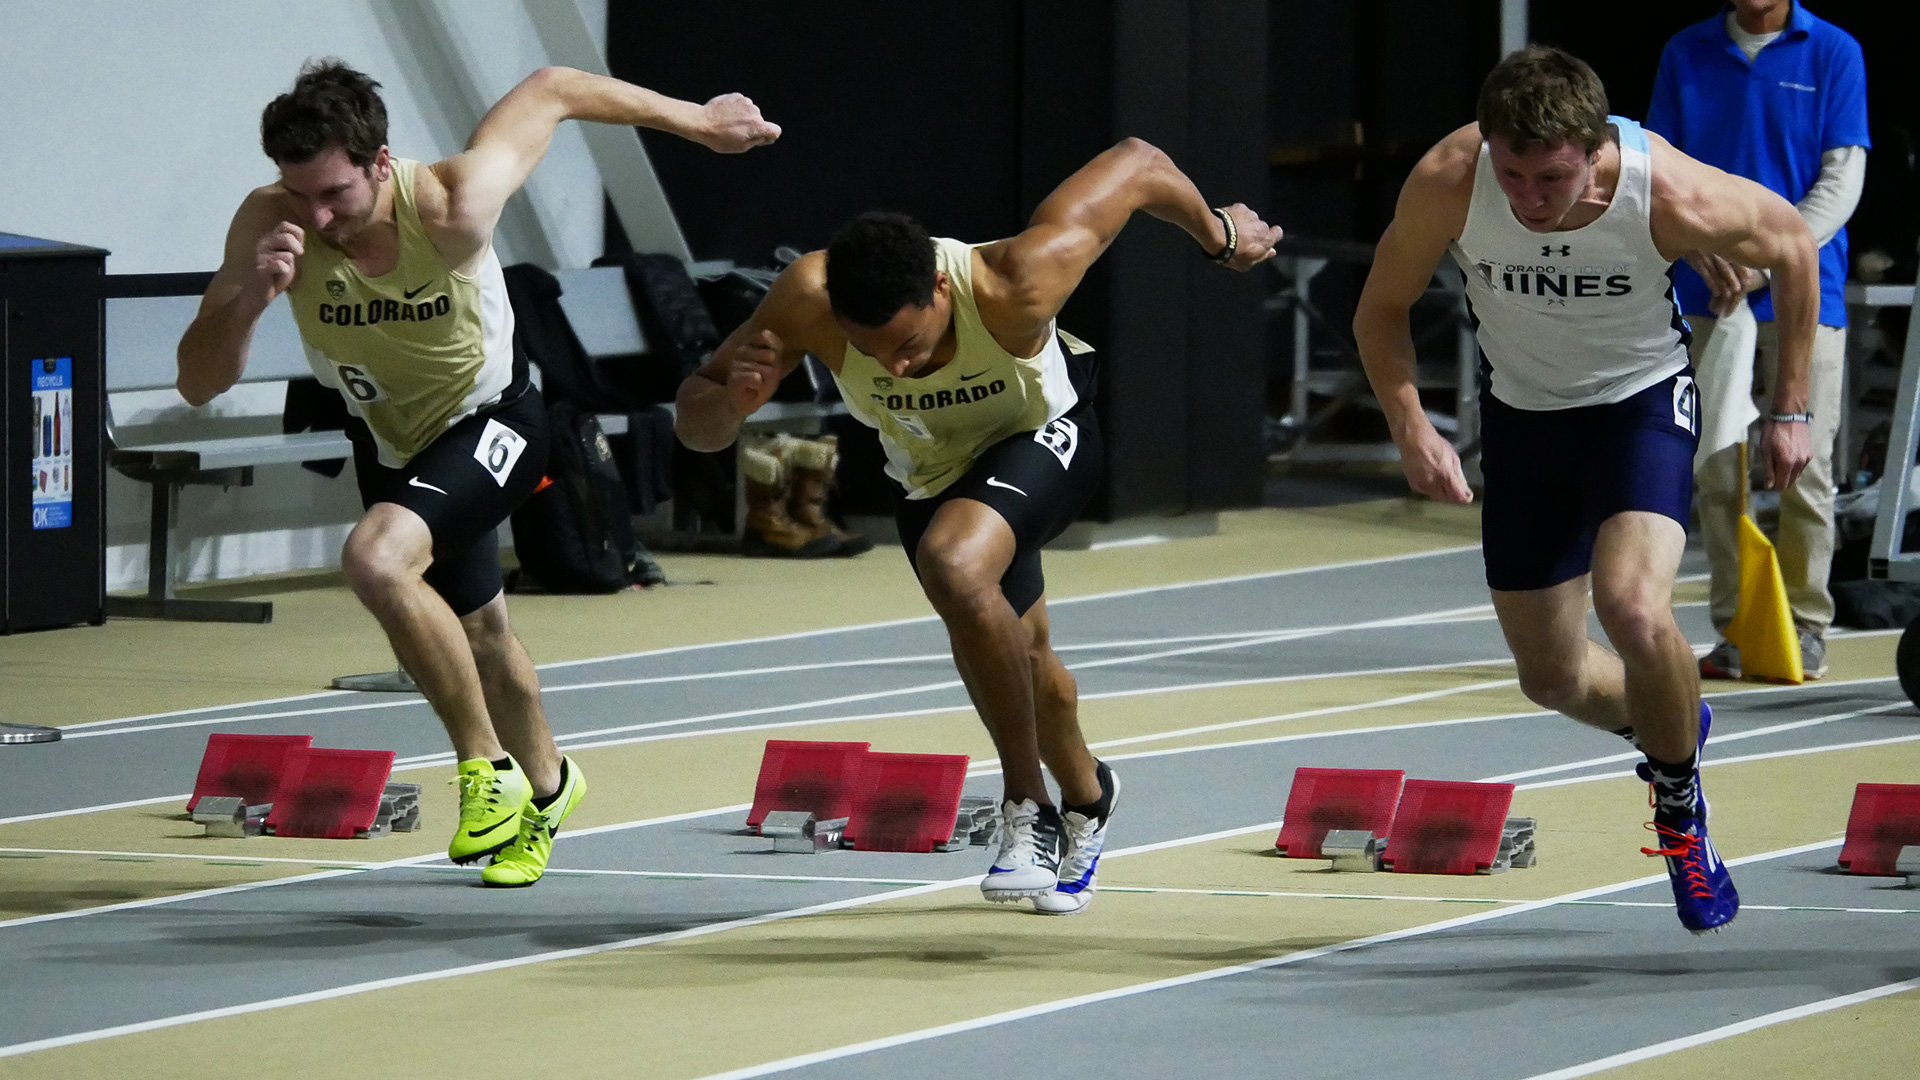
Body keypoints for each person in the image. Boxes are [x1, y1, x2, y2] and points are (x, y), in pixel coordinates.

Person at [177, 60, 778, 886]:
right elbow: (198, 381)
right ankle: (550, 787)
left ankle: (485, 770)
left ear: (380, 163)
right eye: (299, 193)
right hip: (393, 441)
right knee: (485, 637)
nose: (318, 217)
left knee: (375, 560)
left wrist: (698, 121)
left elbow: (555, 88)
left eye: (336, 194)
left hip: (495, 421)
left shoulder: (451, 202)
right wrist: (251, 297)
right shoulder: (270, 220)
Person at [675, 139, 1280, 913]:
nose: (895, 369)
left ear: (939, 286)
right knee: (1027, 661)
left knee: (956, 564)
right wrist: (732, 406)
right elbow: (695, 423)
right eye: (870, 354)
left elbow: (1137, 163)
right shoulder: (805, 299)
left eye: (908, 345)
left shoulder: (1016, 279)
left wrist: (1219, 235)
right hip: (932, 472)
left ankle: (1027, 810)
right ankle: (1089, 795)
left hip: (1045, 435)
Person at [1353, 46, 1819, 933]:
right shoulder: (1451, 179)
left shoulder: (1667, 192)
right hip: (1524, 419)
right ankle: (1671, 723)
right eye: (1513, 175)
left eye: (1552, 178)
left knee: (1633, 608)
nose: (1530, 200)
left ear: (1597, 150)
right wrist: (1412, 427)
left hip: (1638, 405)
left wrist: (1788, 406)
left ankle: (1679, 809)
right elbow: (1381, 307)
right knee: (1552, 678)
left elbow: (1795, 245)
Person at [1647, 0, 1870, 681]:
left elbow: (1841, 181)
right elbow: (1657, 172)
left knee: (1806, 466)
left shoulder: (1833, 51)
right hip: (1708, 292)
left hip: (1804, 290)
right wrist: (1696, 250)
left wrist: (1770, 257)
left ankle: (1804, 624)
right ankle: (1738, 626)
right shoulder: (1685, 50)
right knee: (1717, 468)